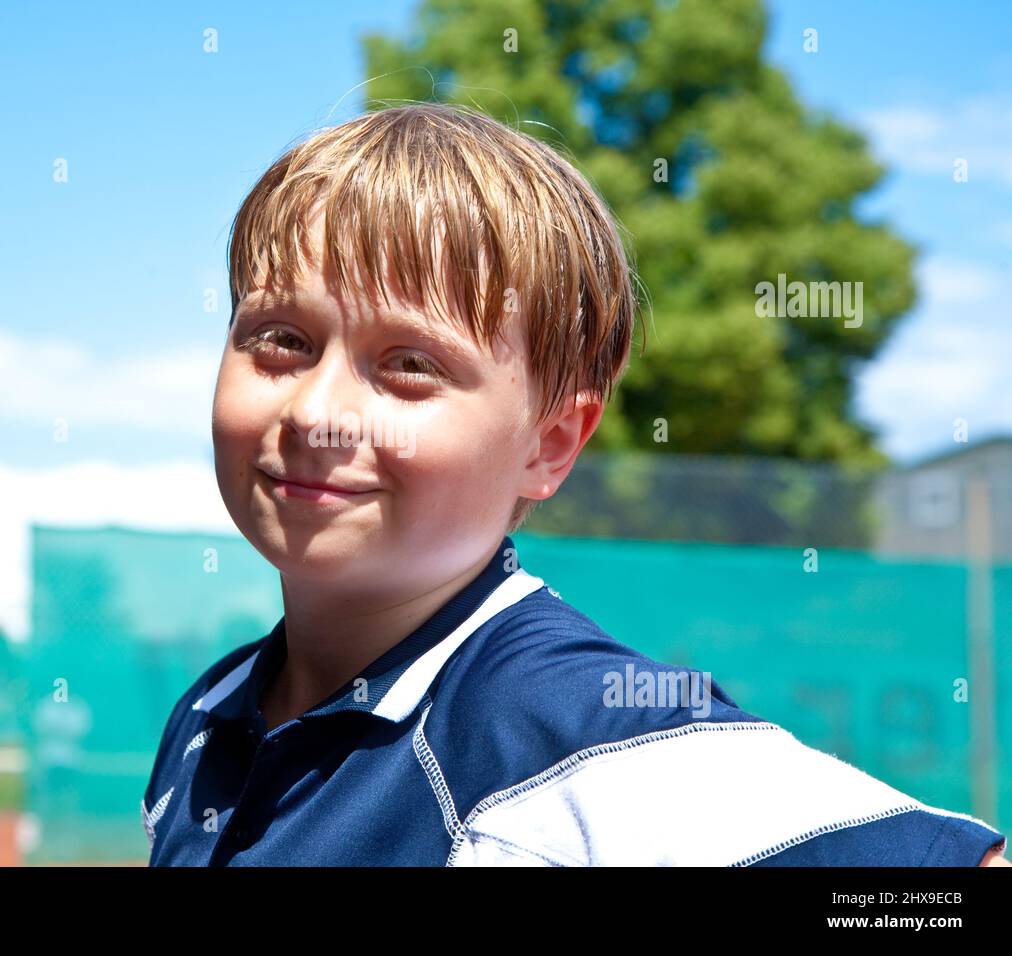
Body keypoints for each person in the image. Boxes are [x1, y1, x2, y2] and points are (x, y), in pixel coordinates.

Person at [141, 103, 1008, 867]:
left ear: (550, 447)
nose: (318, 413)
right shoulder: (208, 714)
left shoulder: (581, 737)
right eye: (282, 339)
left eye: (408, 365)